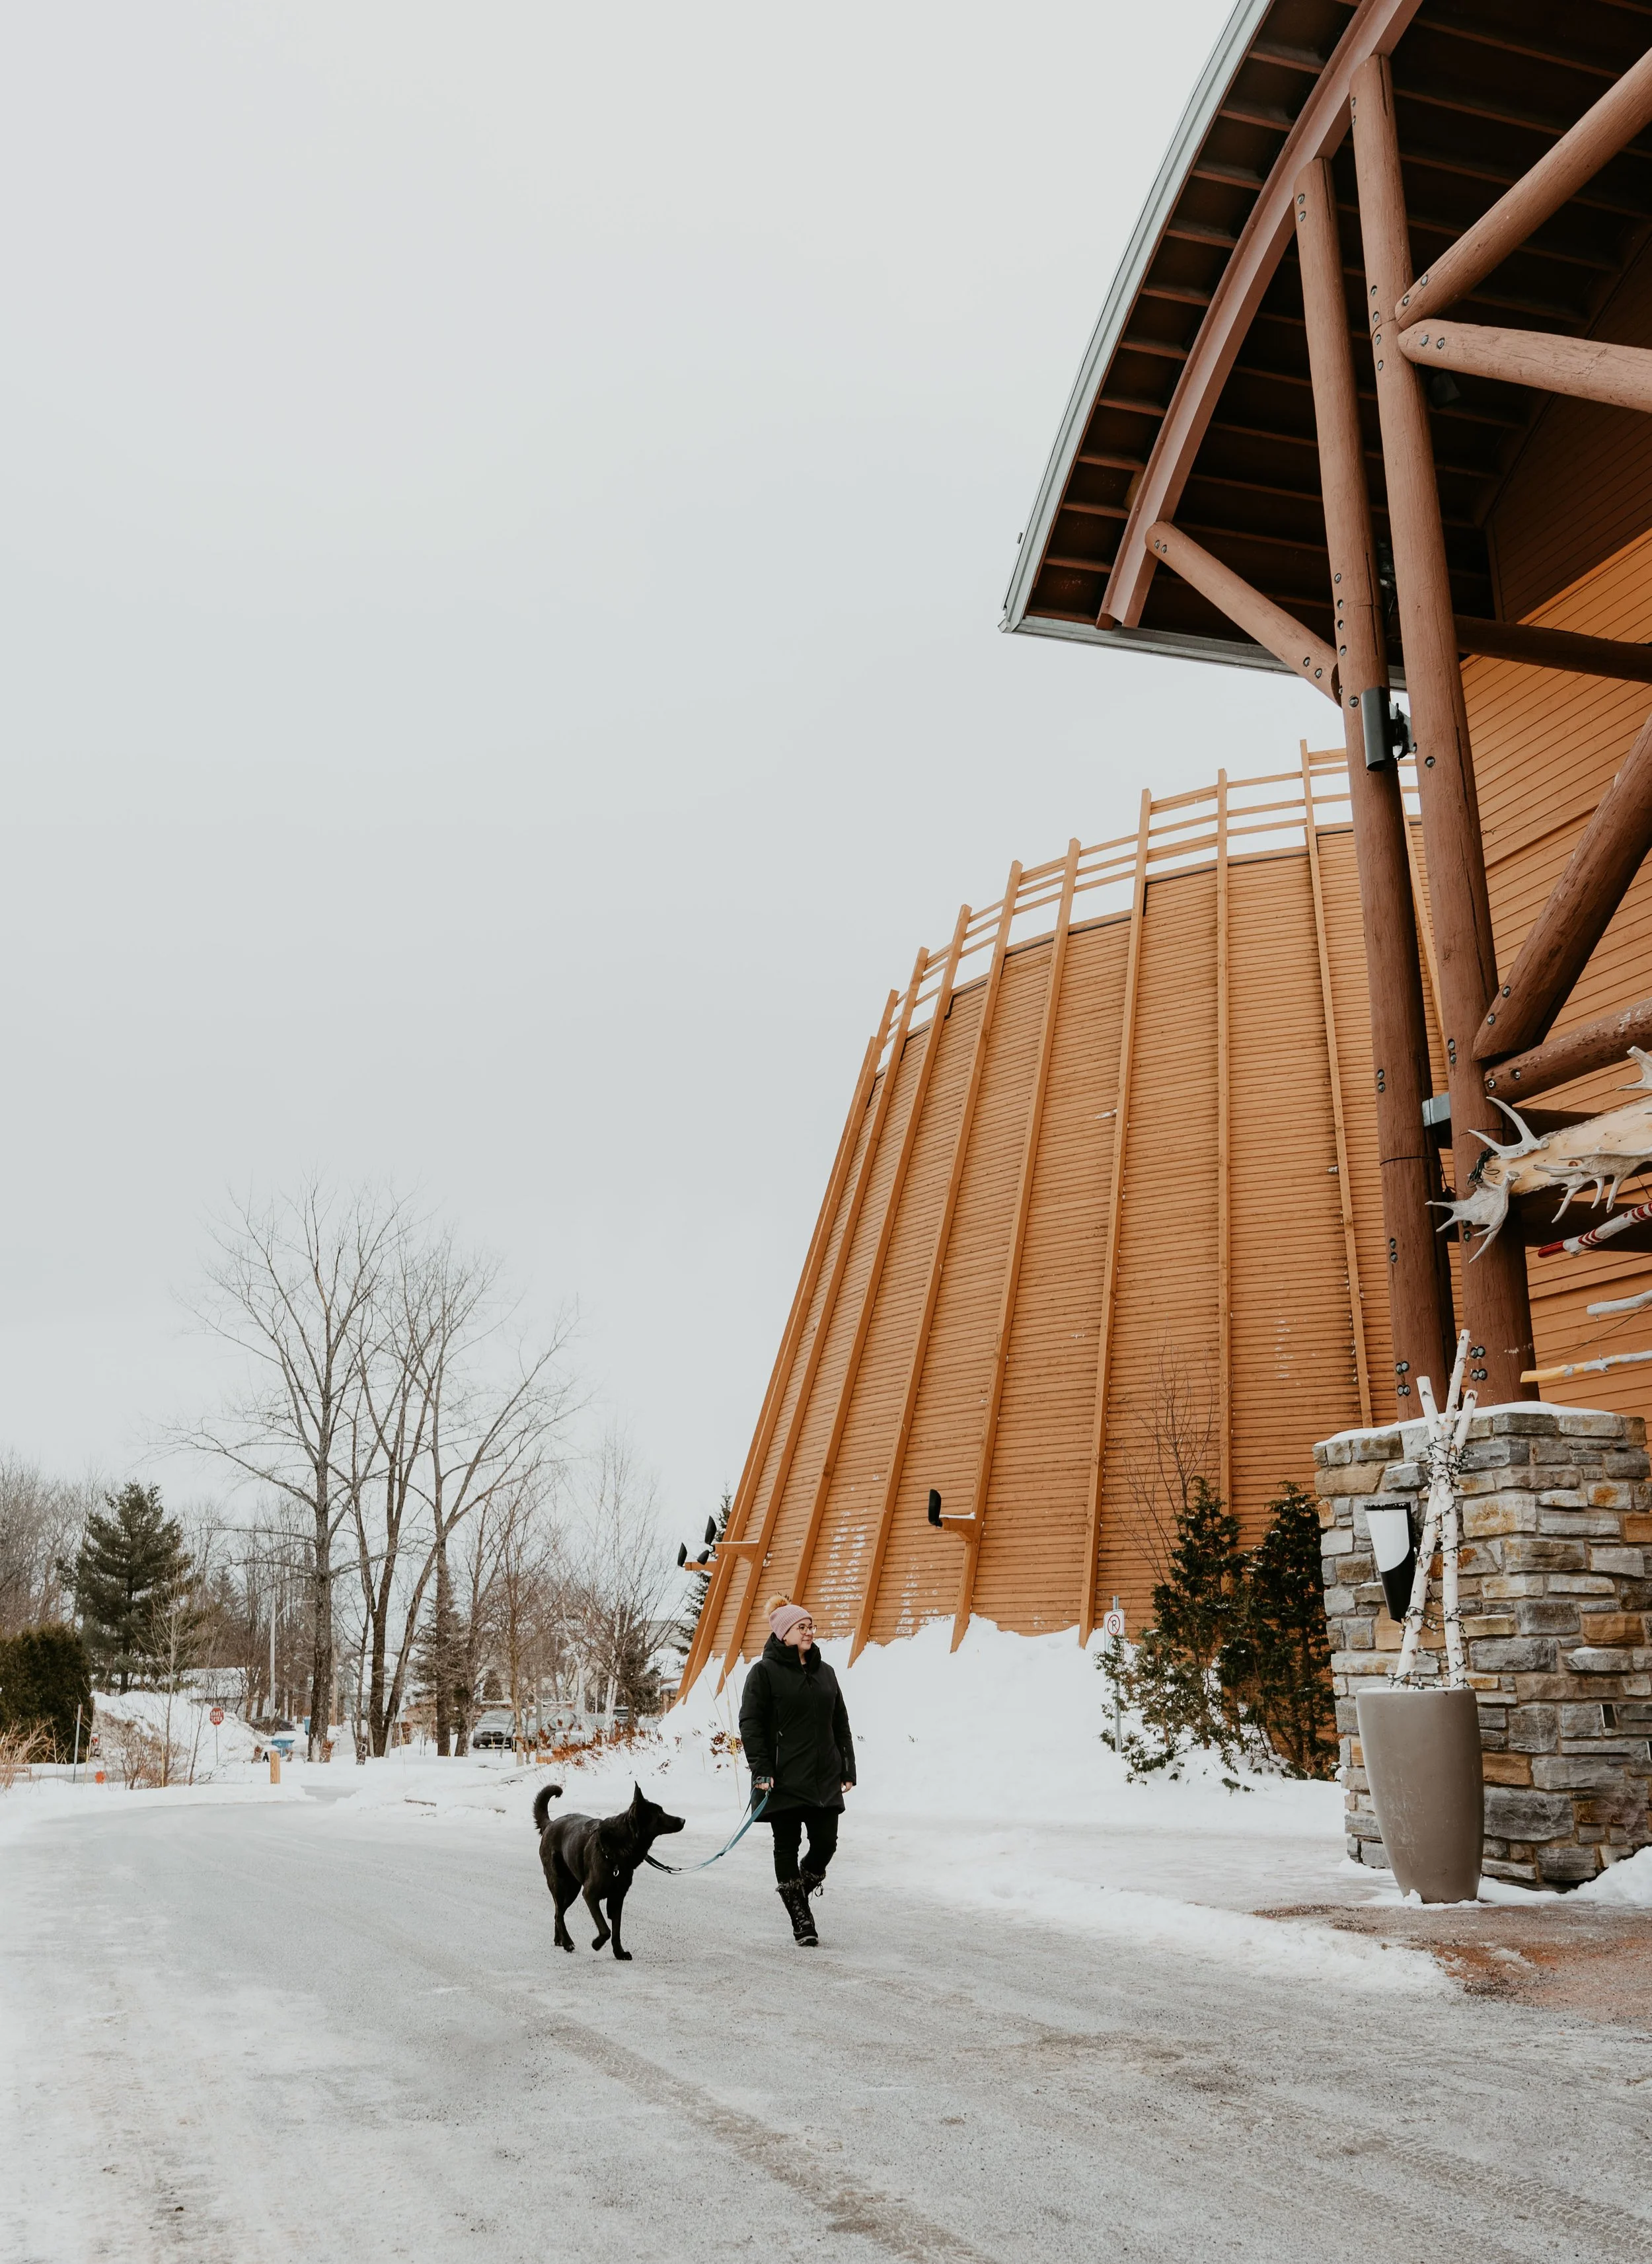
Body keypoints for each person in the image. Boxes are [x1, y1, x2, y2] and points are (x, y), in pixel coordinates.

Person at [738, 1595, 856, 1947]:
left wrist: (847, 1766)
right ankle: (801, 1918)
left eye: (810, 1626)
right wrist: (761, 1769)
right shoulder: (763, 1673)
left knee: (825, 1846)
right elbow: (751, 1723)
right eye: (801, 1627)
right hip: (783, 1778)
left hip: (823, 1777)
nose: (809, 1632)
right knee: (786, 1847)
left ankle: (797, 1893)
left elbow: (840, 1722)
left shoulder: (826, 1673)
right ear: (782, 1633)